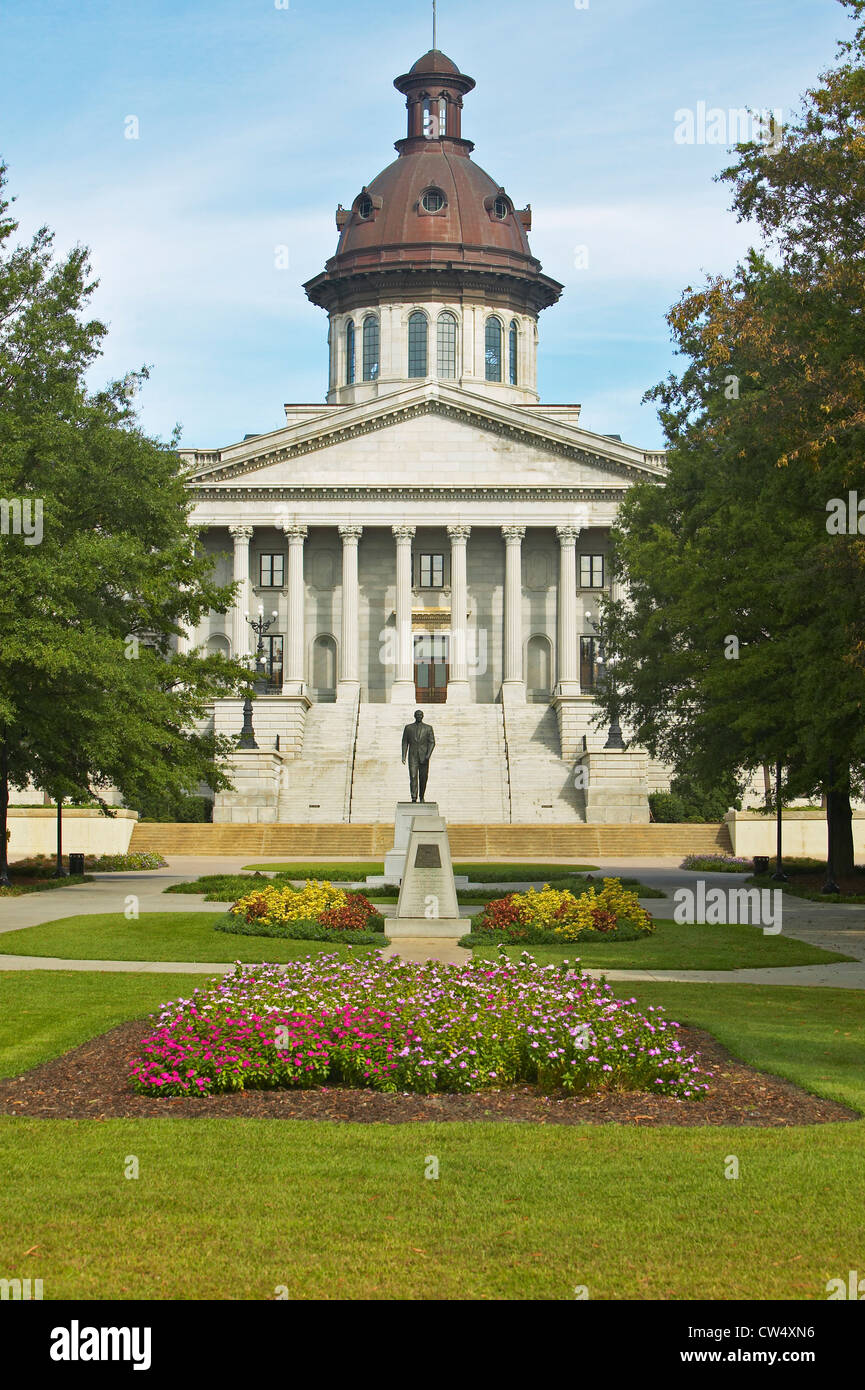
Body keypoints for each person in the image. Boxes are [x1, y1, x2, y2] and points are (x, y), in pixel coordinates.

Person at [401, 709, 436, 802]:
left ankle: (421, 796)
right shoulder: (408, 728)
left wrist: (428, 755)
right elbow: (404, 742)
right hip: (412, 756)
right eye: (417, 715)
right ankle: (414, 797)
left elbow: (432, 742)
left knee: (423, 777)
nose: (419, 716)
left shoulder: (428, 728)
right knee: (413, 776)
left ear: (423, 716)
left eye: (420, 715)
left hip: (424, 756)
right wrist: (403, 755)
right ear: (414, 716)